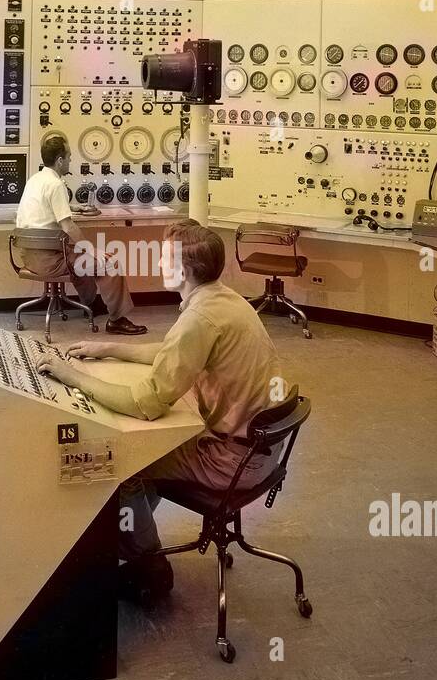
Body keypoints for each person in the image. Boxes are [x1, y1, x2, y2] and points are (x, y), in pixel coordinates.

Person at [35, 221, 292, 597]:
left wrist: (71, 376)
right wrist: (108, 348)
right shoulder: (222, 300)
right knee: (140, 459)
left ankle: (148, 566)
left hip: (233, 461)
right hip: (260, 449)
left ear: (183, 272)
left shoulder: (199, 318)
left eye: (163, 259)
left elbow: (146, 404)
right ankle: (130, 542)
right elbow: (174, 353)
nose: (157, 265)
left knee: (118, 466)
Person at [16, 131, 147, 336]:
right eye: (68, 157)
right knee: (108, 261)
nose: (70, 160)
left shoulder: (35, 180)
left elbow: (46, 212)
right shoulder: (56, 184)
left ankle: (92, 305)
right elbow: (68, 227)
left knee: (79, 254)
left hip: (30, 256)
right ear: (60, 160)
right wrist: (93, 250)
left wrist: (70, 208)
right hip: (52, 260)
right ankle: (117, 320)